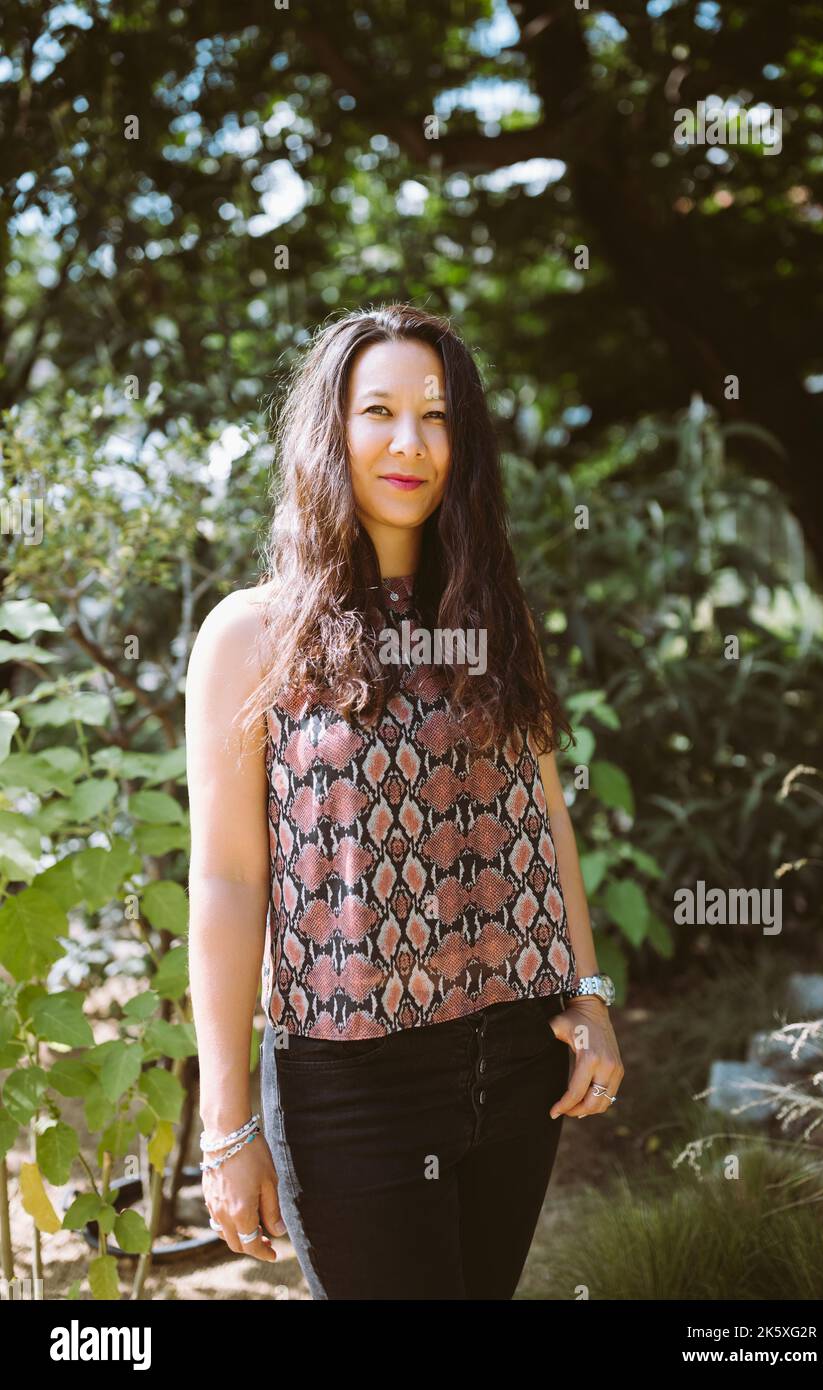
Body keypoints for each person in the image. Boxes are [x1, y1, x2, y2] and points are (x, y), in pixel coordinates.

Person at [185, 303, 624, 1300]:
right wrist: (228, 1125)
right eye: (378, 410)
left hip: (517, 1060)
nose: (409, 443)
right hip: (354, 1087)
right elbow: (223, 880)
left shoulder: (494, 614)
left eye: (435, 416)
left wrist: (589, 997)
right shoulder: (251, 637)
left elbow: (544, 815)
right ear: (329, 433)